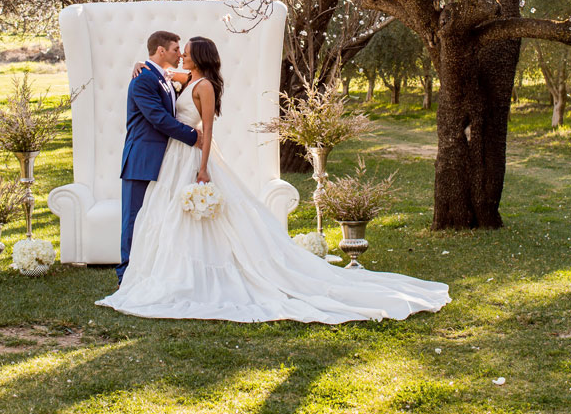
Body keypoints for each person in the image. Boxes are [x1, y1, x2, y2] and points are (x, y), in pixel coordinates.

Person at [99, 37, 450, 322]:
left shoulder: (203, 85)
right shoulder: (182, 77)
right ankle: (157, 275)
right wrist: (144, 64)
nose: (181, 58)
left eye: (186, 53)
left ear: (198, 58)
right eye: (179, 52)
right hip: (172, 159)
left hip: (193, 157)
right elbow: (164, 76)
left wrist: (203, 167)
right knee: (161, 218)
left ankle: (206, 277)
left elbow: (207, 128)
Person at [116, 30, 203, 287]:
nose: (180, 55)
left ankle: (149, 269)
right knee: (134, 218)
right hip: (142, 159)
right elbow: (157, 118)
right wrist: (192, 136)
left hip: (165, 160)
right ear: (161, 50)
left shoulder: (160, 76)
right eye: (177, 49)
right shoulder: (144, 79)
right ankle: (125, 276)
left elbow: (196, 75)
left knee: (154, 218)